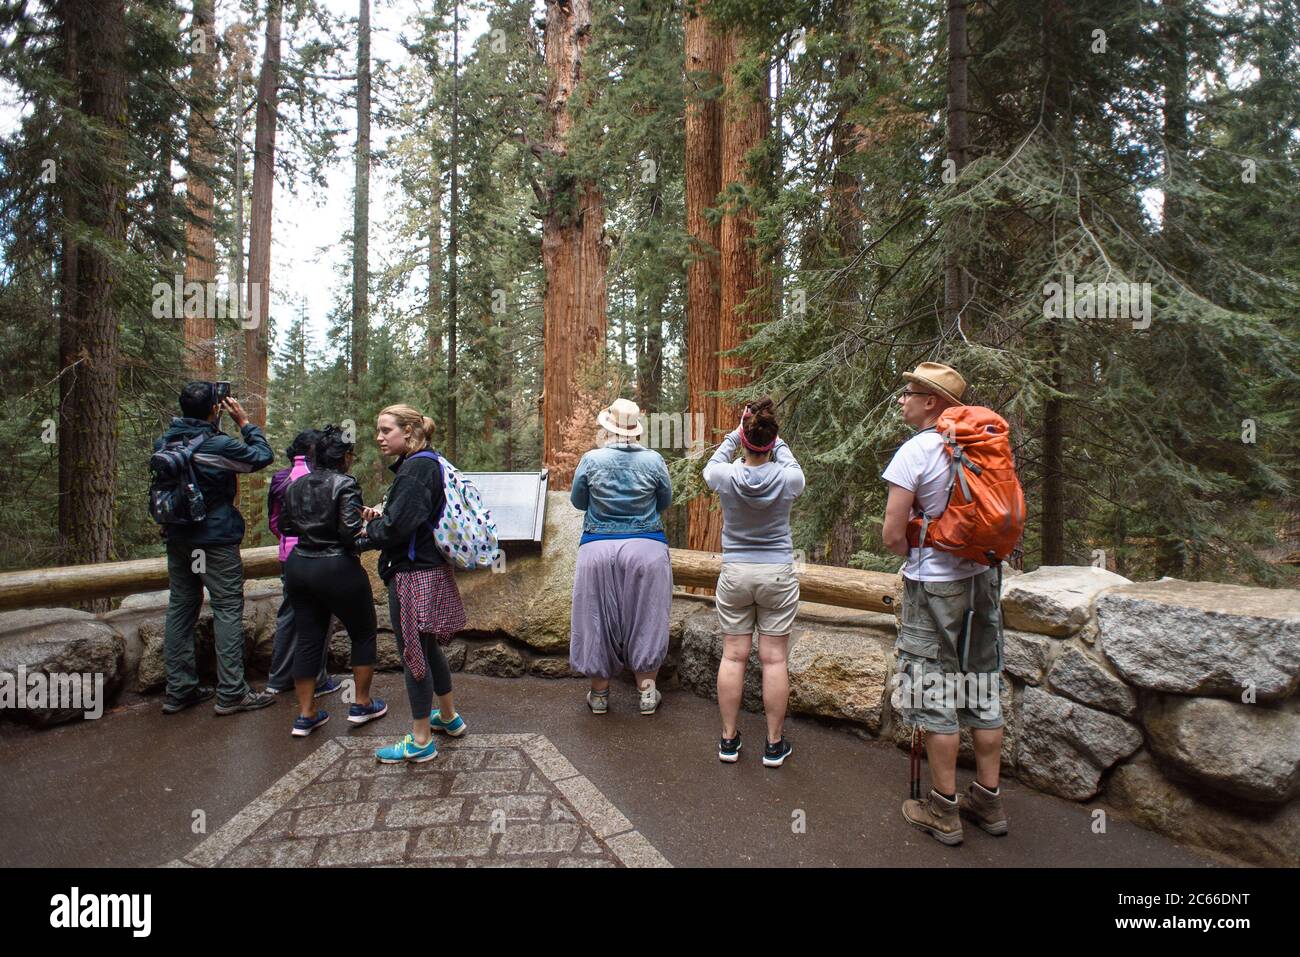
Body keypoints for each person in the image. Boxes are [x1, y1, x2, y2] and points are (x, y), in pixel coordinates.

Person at [882, 361, 1007, 845]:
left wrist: (917, 543)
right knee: (980, 682)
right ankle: (989, 800)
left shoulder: (915, 451)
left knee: (934, 694)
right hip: (982, 580)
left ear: (931, 401)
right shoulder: (983, 447)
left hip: (932, 588)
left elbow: (893, 535)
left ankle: (943, 809)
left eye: (908, 393)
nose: (902, 400)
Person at [156, 382, 276, 715]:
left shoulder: (166, 441)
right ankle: (232, 692)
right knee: (226, 608)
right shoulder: (217, 444)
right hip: (214, 539)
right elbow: (261, 457)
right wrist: (245, 423)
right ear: (215, 409)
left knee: (181, 607)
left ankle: (179, 689)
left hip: (179, 538)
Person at [362, 405, 468, 763]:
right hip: (431, 567)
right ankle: (449, 717)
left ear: (408, 432)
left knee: (413, 653)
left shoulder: (415, 469)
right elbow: (411, 517)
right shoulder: (430, 462)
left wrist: (369, 531)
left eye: (385, 430)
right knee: (427, 646)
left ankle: (421, 739)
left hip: (412, 574)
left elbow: (397, 528)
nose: (379, 437)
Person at [703, 396, 805, 767]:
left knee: (733, 655)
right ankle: (774, 745)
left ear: (744, 440)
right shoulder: (788, 477)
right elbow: (790, 461)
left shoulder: (725, 475)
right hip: (777, 572)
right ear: (772, 440)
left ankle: (729, 741)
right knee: (774, 659)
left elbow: (713, 462)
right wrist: (772, 439)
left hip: (736, 572)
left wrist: (736, 433)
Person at [569, 398, 674, 716]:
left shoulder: (590, 460)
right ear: (635, 429)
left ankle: (599, 695)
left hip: (597, 547)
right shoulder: (654, 460)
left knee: (595, 618)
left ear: (607, 427)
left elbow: (578, 501)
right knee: (649, 617)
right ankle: (646, 693)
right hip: (647, 547)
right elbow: (664, 501)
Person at [279, 426, 387, 736]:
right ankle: (362, 704)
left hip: (299, 566)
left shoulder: (295, 485)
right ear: (344, 457)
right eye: (351, 454)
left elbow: (287, 526)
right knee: (363, 631)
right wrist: (375, 533)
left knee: (309, 637)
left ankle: (306, 713)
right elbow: (349, 535)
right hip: (336, 566)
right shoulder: (345, 484)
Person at [265, 429, 338, 697]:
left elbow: (274, 521)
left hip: (289, 557)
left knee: (289, 614)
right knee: (319, 618)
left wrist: (288, 541)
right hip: (318, 555)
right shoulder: (321, 479)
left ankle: (277, 679)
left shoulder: (280, 478)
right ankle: (317, 679)